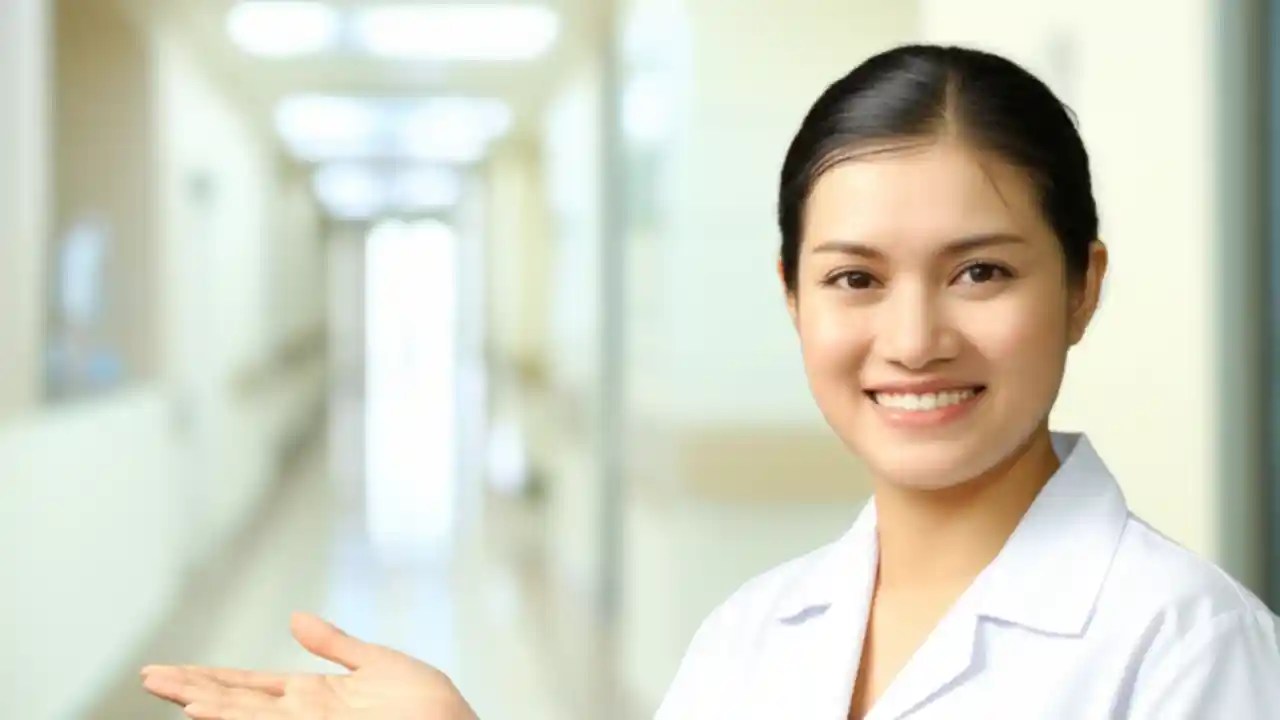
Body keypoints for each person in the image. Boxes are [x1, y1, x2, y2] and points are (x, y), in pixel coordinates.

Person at [140, 44, 1280, 719]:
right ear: (793, 298)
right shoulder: (749, 638)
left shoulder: (1185, 651)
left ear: (1081, 286)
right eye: (854, 279)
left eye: (979, 271)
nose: (914, 337)